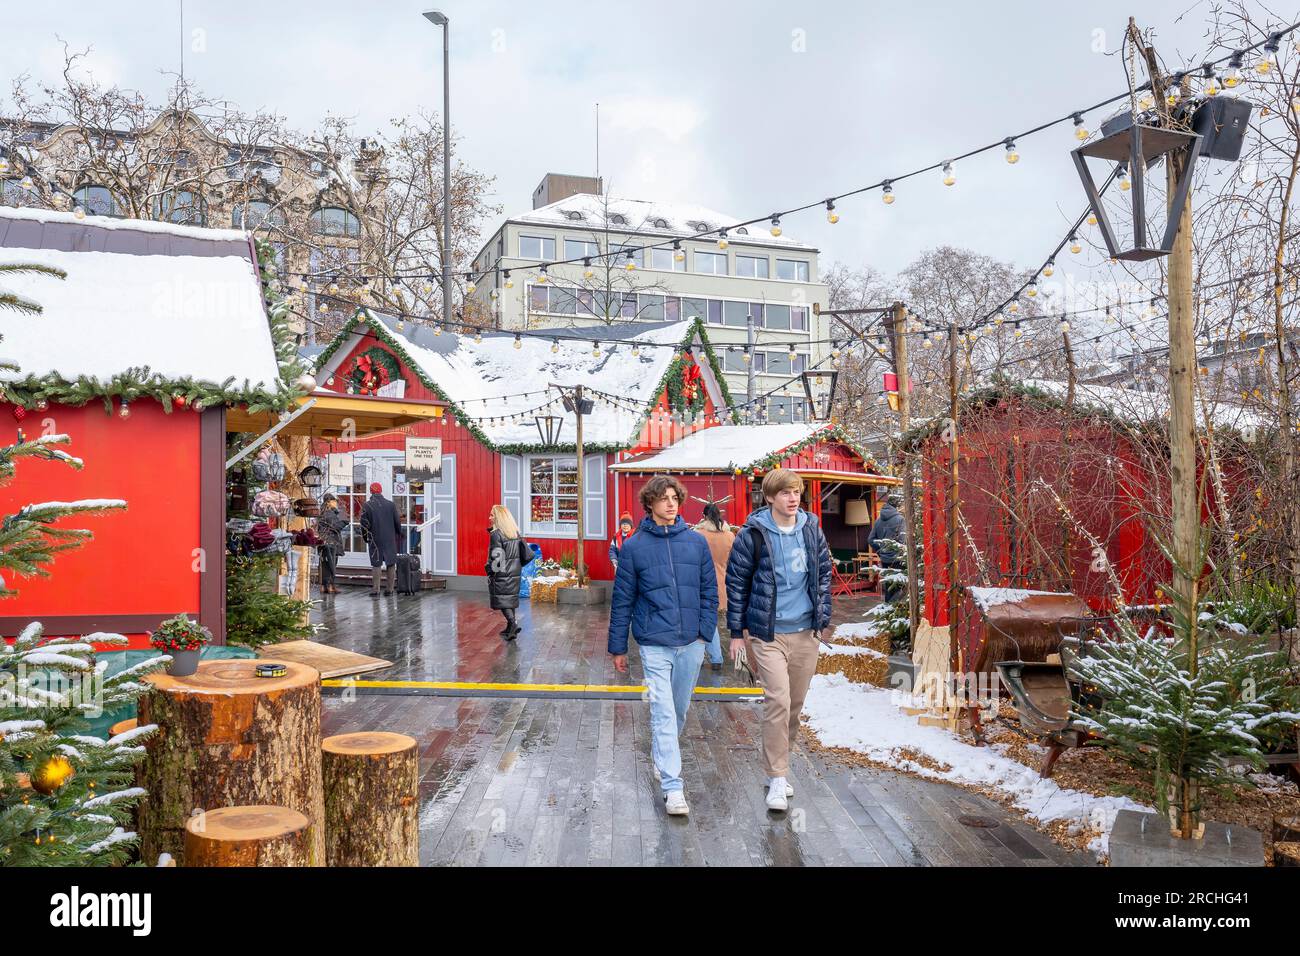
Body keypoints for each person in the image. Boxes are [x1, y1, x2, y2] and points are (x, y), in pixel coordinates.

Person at [607, 475, 717, 817]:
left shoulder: (696, 543)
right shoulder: (635, 547)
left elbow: (709, 592)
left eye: (675, 498)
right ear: (650, 503)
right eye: (664, 498)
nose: (671, 503)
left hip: (691, 642)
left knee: (679, 709)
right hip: (654, 643)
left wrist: (704, 632)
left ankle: (662, 753)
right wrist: (618, 647)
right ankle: (673, 786)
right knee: (663, 711)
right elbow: (622, 599)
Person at [726, 468, 832, 812]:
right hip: (767, 634)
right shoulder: (753, 535)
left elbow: (824, 573)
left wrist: (822, 619)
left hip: (805, 633)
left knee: (795, 706)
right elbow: (737, 584)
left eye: (797, 492)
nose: (793, 498)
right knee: (778, 701)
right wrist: (736, 634)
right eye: (785, 492)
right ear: (770, 497)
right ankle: (776, 776)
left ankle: (780, 769)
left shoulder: (812, 529)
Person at [693, 502, 735, 672]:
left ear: (704, 516)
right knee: (712, 621)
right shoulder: (729, 535)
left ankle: (709, 656)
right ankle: (715, 657)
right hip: (722, 582)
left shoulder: (698, 535)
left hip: (701, 582)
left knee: (701, 621)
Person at [486, 504, 533, 641]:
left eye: (492, 515)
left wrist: (490, 571)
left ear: (499, 517)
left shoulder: (496, 535)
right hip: (515, 571)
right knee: (509, 600)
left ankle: (513, 624)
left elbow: (497, 557)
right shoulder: (514, 533)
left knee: (502, 600)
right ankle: (510, 627)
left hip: (502, 573)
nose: (489, 518)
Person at [359, 481, 403, 597]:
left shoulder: (367, 505)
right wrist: (399, 533)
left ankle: (376, 589)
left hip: (375, 538)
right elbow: (397, 522)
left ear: (371, 491)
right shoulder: (391, 504)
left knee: (376, 564)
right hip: (389, 538)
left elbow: (364, 524)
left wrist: (365, 537)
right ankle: (390, 589)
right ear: (381, 491)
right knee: (391, 563)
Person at [867, 492, 908, 604]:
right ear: (897, 505)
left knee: (888, 586)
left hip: (884, 559)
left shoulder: (878, 520)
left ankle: (887, 612)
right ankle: (894, 614)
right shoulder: (900, 519)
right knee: (899, 588)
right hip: (897, 559)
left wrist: (881, 552)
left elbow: (871, 539)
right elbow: (903, 540)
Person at [316, 493, 347, 594]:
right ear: (329, 502)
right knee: (331, 564)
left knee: (324, 564)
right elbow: (336, 526)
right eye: (334, 501)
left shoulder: (323, 511)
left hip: (325, 541)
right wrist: (345, 522)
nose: (336, 503)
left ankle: (325, 586)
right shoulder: (328, 513)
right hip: (331, 542)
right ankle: (329, 586)